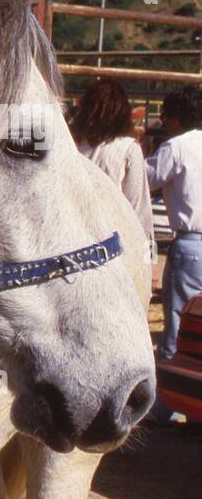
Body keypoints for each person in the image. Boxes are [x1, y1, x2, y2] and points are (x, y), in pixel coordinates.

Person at [146, 85, 202, 368]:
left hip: (191, 244)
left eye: (165, 115)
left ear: (177, 118)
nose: (163, 122)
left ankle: (167, 402)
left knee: (179, 327)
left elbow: (145, 179)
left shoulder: (175, 148)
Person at [70, 78, 155, 251]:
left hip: (73, 238)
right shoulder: (128, 149)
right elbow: (139, 209)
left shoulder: (72, 145)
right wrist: (150, 258)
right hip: (113, 241)